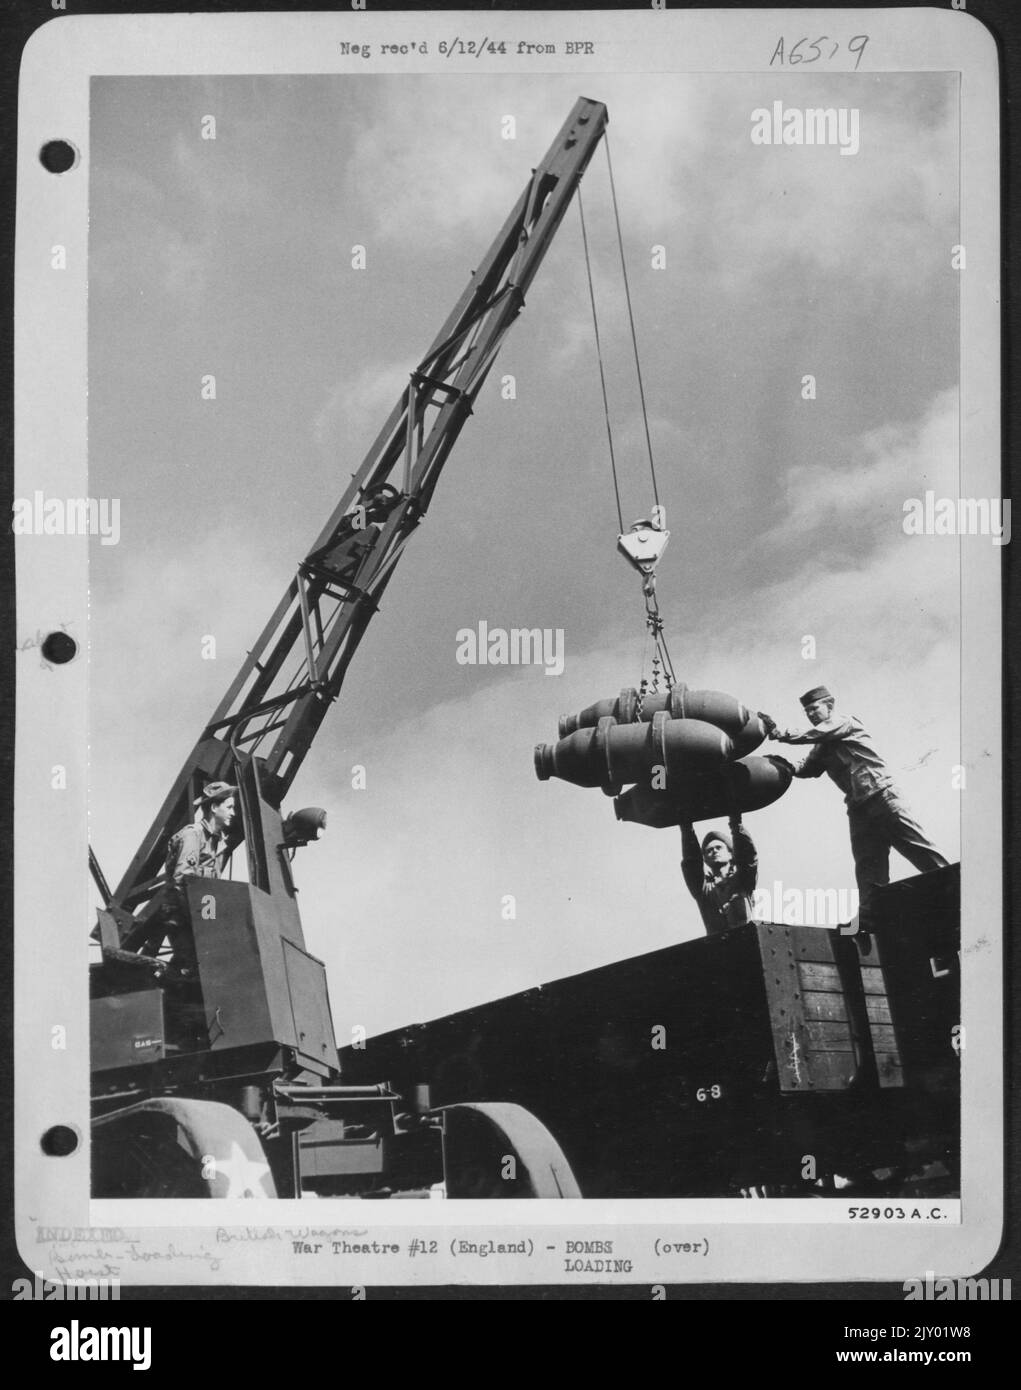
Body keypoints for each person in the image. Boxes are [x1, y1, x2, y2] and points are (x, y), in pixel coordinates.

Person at [759, 686, 947, 911]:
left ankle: (955, 886)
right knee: (868, 866)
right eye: (806, 711)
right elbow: (809, 767)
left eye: (814, 708)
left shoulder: (844, 722)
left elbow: (815, 734)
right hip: (859, 808)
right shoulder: (822, 744)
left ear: (829, 706)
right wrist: (786, 766)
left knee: (919, 849)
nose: (810, 714)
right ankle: (871, 916)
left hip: (882, 796)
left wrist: (780, 733)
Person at [160, 780, 238, 971]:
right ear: (213, 807)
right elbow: (182, 881)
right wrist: (201, 922)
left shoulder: (215, 842)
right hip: (183, 919)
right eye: (229, 807)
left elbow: (209, 890)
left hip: (199, 919)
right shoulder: (192, 836)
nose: (233, 813)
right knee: (198, 971)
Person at [680, 817, 758, 936]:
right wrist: (686, 829)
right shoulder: (704, 890)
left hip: (747, 941)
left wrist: (736, 824)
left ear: (731, 854)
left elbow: (748, 857)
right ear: (705, 860)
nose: (714, 851)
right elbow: (692, 864)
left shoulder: (743, 880)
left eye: (718, 848)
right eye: (709, 850)